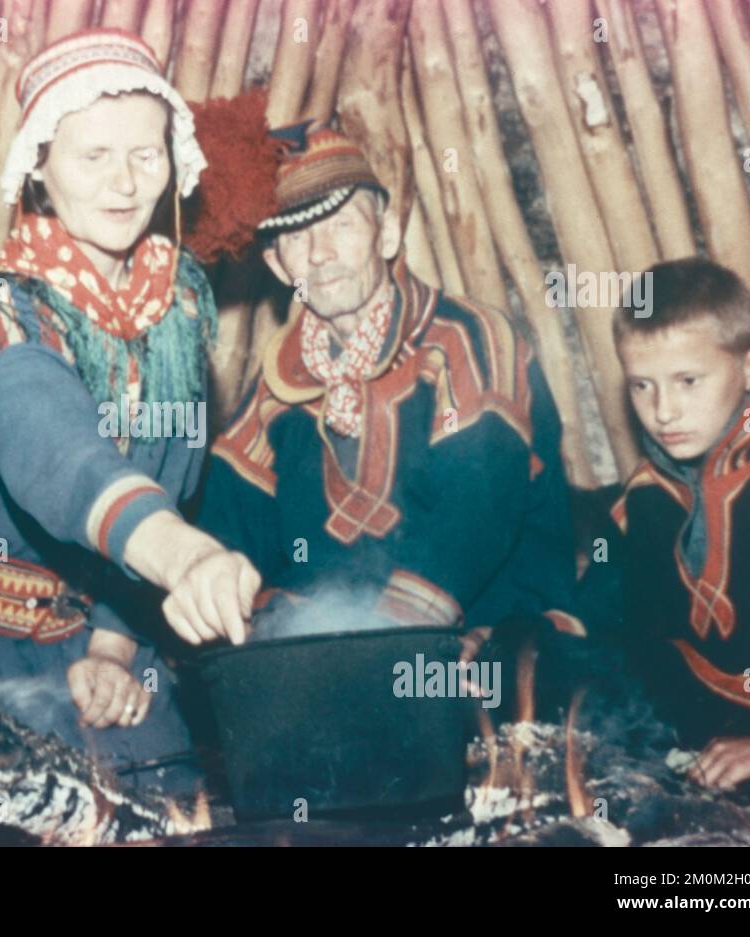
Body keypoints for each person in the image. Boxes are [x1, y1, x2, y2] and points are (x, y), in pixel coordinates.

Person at [0, 28, 260, 789]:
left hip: (77, 620)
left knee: (164, 789)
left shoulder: (172, 312)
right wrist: (186, 557)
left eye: (147, 154)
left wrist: (111, 646)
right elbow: (61, 456)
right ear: (40, 165)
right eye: (93, 157)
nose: (126, 184)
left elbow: (166, 472)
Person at [199, 125, 580, 673]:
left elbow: (477, 508)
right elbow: (229, 525)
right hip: (340, 652)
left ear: (387, 235)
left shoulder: (468, 341)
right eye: (297, 238)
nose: (321, 254)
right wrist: (246, 611)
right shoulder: (277, 387)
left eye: (342, 225)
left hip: (493, 640)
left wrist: (382, 646)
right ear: (280, 267)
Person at [574, 258, 750, 789]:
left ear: (749, 367)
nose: (664, 411)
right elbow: (597, 617)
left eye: (687, 381)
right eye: (642, 387)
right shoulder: (643, 500)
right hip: (703, 744)